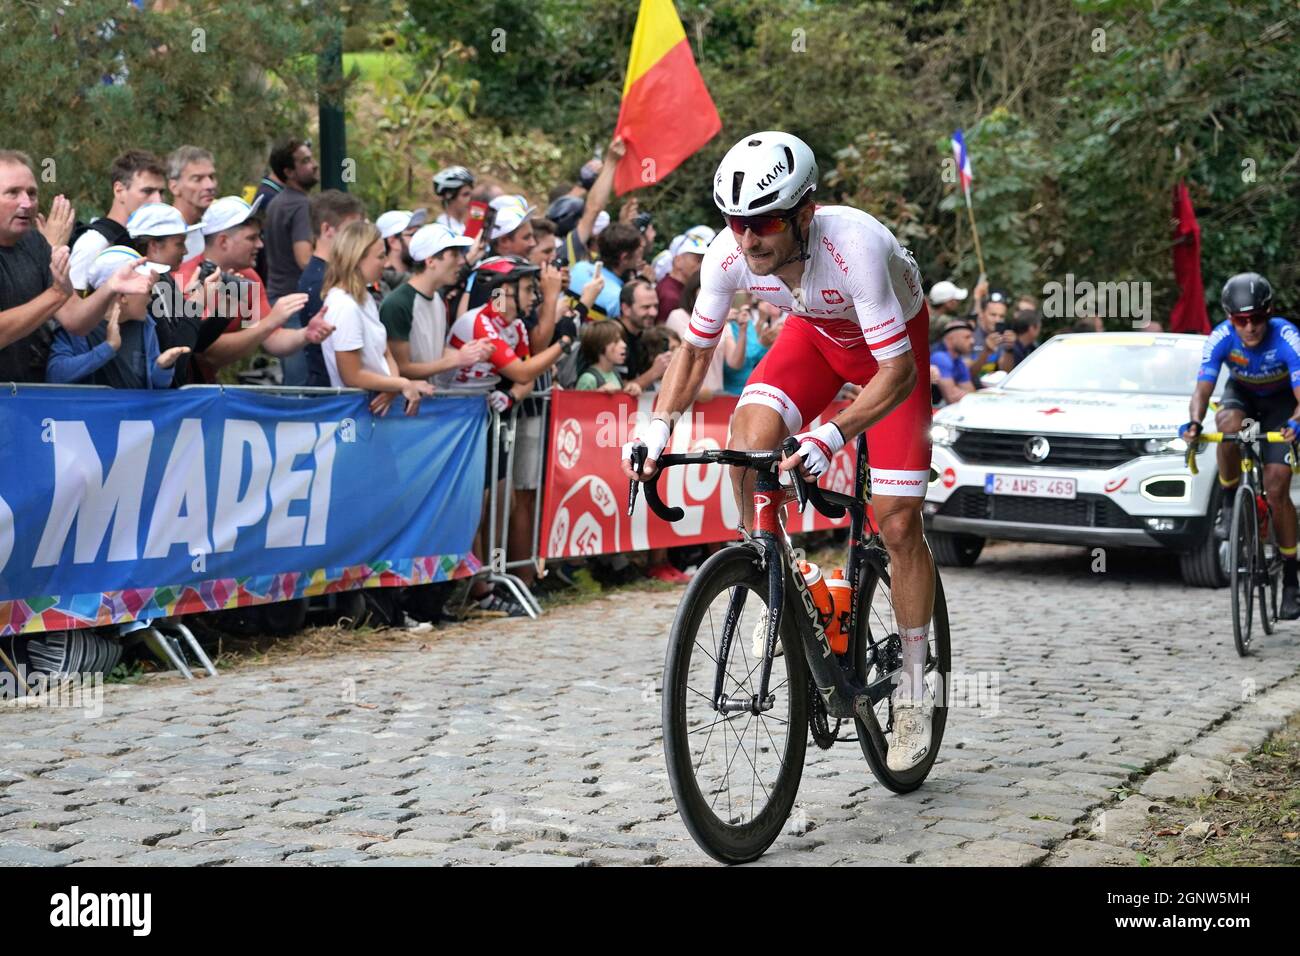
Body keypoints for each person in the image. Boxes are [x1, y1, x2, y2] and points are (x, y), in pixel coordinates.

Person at [622, 131, 935, 772]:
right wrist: (658, 430)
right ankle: (777, 569)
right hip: (816, 338)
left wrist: (830, 435)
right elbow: (697, 350)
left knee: (898, 521)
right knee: (748, 443)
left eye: (763, 221)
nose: (747, 238)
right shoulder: (727, 256)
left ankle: (913, 685)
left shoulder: (855, 248)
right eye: (735, 222)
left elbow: (896, 372)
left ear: (805, 212)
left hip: (892, 355)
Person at [1181, 272, 1300, 618]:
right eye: (1240, 320)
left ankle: (1292, 578)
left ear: (1269, 313)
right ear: (1230, 318)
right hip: (1243, 397)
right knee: (1228, 426)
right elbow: (1203, 389)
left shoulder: (1288, 337)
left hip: (1281, 405)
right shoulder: (1220, 337)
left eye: (1257, 318)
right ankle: (1231, 500)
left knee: (1277, 487)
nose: (1249, 328)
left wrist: (1294, 422)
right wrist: (1193, 422)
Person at [0, 150, 152, 383]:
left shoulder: (36, 245)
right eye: (13, 193)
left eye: (32, 193)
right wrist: (55, 295)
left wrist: (110, 286)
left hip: (30, 401)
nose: (27, 203)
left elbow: (75, 320)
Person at [173, 195, 332, 380]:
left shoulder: (247, 276)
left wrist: (306, 334)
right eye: (252, 238)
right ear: (223, 241)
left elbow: (272, 339)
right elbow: (209, 352)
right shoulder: (188, 279)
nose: (260, 244)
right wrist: (270, 322)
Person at [318, 219, 433, 414]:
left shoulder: (364, 297)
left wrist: (393, 386)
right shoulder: (344, 305)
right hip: (357, 412)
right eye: (380, 256)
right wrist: (401, 384)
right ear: (357, 259)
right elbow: (351, 375)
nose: (387, 262)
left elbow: (384, 351)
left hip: (375, 407)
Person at [46, 246, 188, 388]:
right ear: (123, 296)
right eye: (148, 291)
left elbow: (156, 385)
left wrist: (162, 368)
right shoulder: (77, 326)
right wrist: (108, 347)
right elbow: (55, 375)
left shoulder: (146, 324)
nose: (151, 299)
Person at [124, 201, 223, 387]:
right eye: (179, 243)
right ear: (154, 246)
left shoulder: (164, 277)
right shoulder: (144, 287)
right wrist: (196, 303)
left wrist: (226, 307)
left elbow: (194, 344)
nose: (185, 251)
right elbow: (175, 359)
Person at [381, 222, 492, 385]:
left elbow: (434, 352)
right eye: (454, 254)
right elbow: (401, 368)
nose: (462, 261)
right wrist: (457, 359)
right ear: (430, 261)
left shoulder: (437, 299)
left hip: (432, 401)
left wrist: (470, 352)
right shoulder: (398, 304)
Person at [295, 189, 366, 386]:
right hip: (331, 394)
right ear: (327, 229)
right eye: (352, 231)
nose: (359, 239)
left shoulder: (331, 275)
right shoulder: (321, 281)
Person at [69, 150, 167, 293]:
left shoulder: (144, 240)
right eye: (147, 191)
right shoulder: (94, 243)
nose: (158, 200)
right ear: (119, 190)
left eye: (161, 192)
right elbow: (70, 308)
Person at [262, 138, 320, 303]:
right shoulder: (301, 205)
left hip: (277, 298)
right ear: (289, 172)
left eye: (312, 158)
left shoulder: (276, 202)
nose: (314, 164)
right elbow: (305, 259)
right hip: (297, 302)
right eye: (306, 161)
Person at [569, 222, 642, 320]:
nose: (640, 258)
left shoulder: (578, 267)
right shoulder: (617, 298)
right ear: (624, 258)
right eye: (639, 253)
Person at [167, 146, 218, 261]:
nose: (210, 185)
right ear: (174, 187)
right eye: (197, 179)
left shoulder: (216, 230)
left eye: (211, 177)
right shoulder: (159, 236)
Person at [722, 295, 781, 395]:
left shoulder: (747, 322)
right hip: (730, 393)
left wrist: (767, 345)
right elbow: (737, 365)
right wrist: (763, 344)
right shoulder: (726, 325)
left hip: (750, 390)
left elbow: (757, 356)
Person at [656, 227, 711, 323]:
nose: (702, 265)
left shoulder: (678, 288)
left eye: (703, 259)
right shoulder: (670, 296)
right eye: (698, 259)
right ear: (678, 261)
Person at [374, 208, 428, 298]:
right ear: (393, 242)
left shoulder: (419, 272)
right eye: (413, 234)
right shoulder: (380, 282)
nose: (420, 240)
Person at [576, 320, 640, 394]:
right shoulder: (588, 379)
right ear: (600, 346)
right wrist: (598, 395)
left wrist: (631, 392)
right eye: (616, 341)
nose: (624, 345)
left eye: (622, 340)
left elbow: (621, 405)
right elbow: (579, 404)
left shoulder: (615, 373)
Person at [966, 288, 1011, 385]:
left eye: (1001, 316)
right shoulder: (969, 334)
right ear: (982, 314)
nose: (997, 320)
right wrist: (986, 352)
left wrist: (1009, 350)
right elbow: (967, 373)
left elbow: (1006, 371)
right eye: (993, 315)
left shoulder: (1002, 337)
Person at [931, 320, 976, 405]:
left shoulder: (959, 362)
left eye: (972, 337)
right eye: (967, 337)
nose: (972, 341)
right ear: (950, 340)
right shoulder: (940, 357)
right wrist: (965, 393)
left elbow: (972, 393)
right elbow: (952, 398)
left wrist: (964, 394)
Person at [432, 166, 474, 235]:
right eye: (465, 195)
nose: (471, 199)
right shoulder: (441, 230)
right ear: (449, 195)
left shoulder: (461, 226)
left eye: (471, 194)